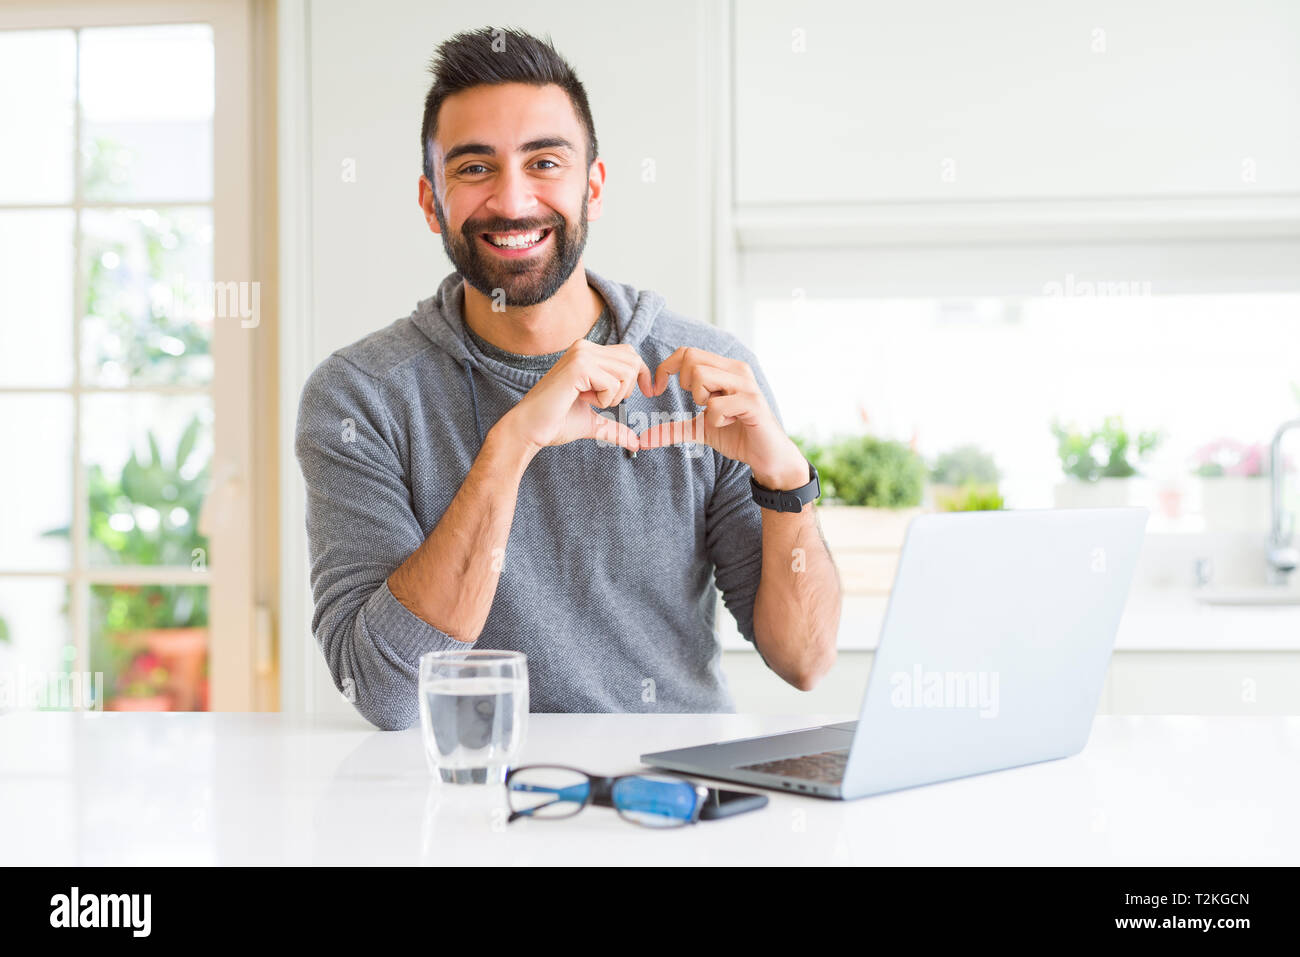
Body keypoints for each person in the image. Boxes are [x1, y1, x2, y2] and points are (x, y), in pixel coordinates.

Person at [295, 26, 841, 731]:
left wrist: (785, 479)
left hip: (668, 802)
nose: (513, 201)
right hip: (463, 806)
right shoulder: (359, 397)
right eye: (473, 168)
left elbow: (806, 660)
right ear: (432, 202)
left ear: (594, 186)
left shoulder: (703, 373)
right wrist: (515, 439)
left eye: (545, 162)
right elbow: (384, 691)